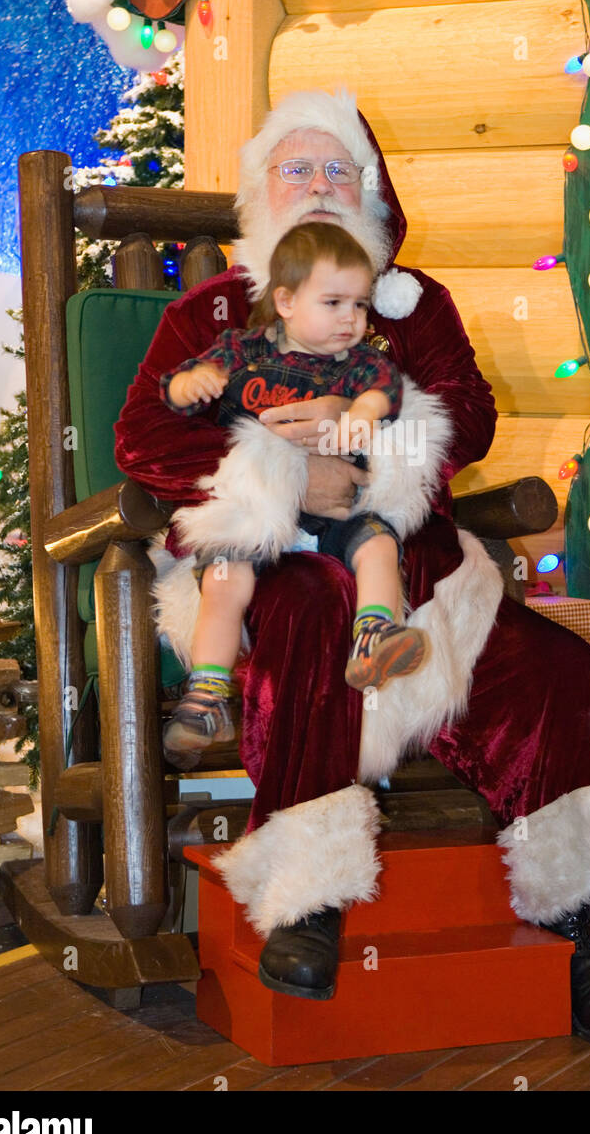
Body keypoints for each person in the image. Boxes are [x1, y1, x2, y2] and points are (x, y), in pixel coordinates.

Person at [115, 85, 590, 1046]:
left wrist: (373, 465)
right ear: (262, 191)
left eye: (338, 169)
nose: (319, 185)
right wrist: (287, 473)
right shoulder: (214, 310)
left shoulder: (411, 306)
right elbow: (144, 435)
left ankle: (571, 934)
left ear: (369, 189)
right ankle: (309, 898)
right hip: (270, 567)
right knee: (312, 609)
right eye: (297, 168)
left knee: (556, 671)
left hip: (426, 571)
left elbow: (471, 417)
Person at [158, 220, 430, 769]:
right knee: (224, 579)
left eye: (359, 304)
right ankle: (206, 695)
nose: (350, 319)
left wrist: (362, 412)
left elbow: (387, 393)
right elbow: (174, 392)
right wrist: (193, 384)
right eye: (333, 302)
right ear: (284, 301)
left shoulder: (359, 364)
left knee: (379, 545)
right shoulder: (240, 350)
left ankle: (374, 635)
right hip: (260, 507)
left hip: (334, 512)